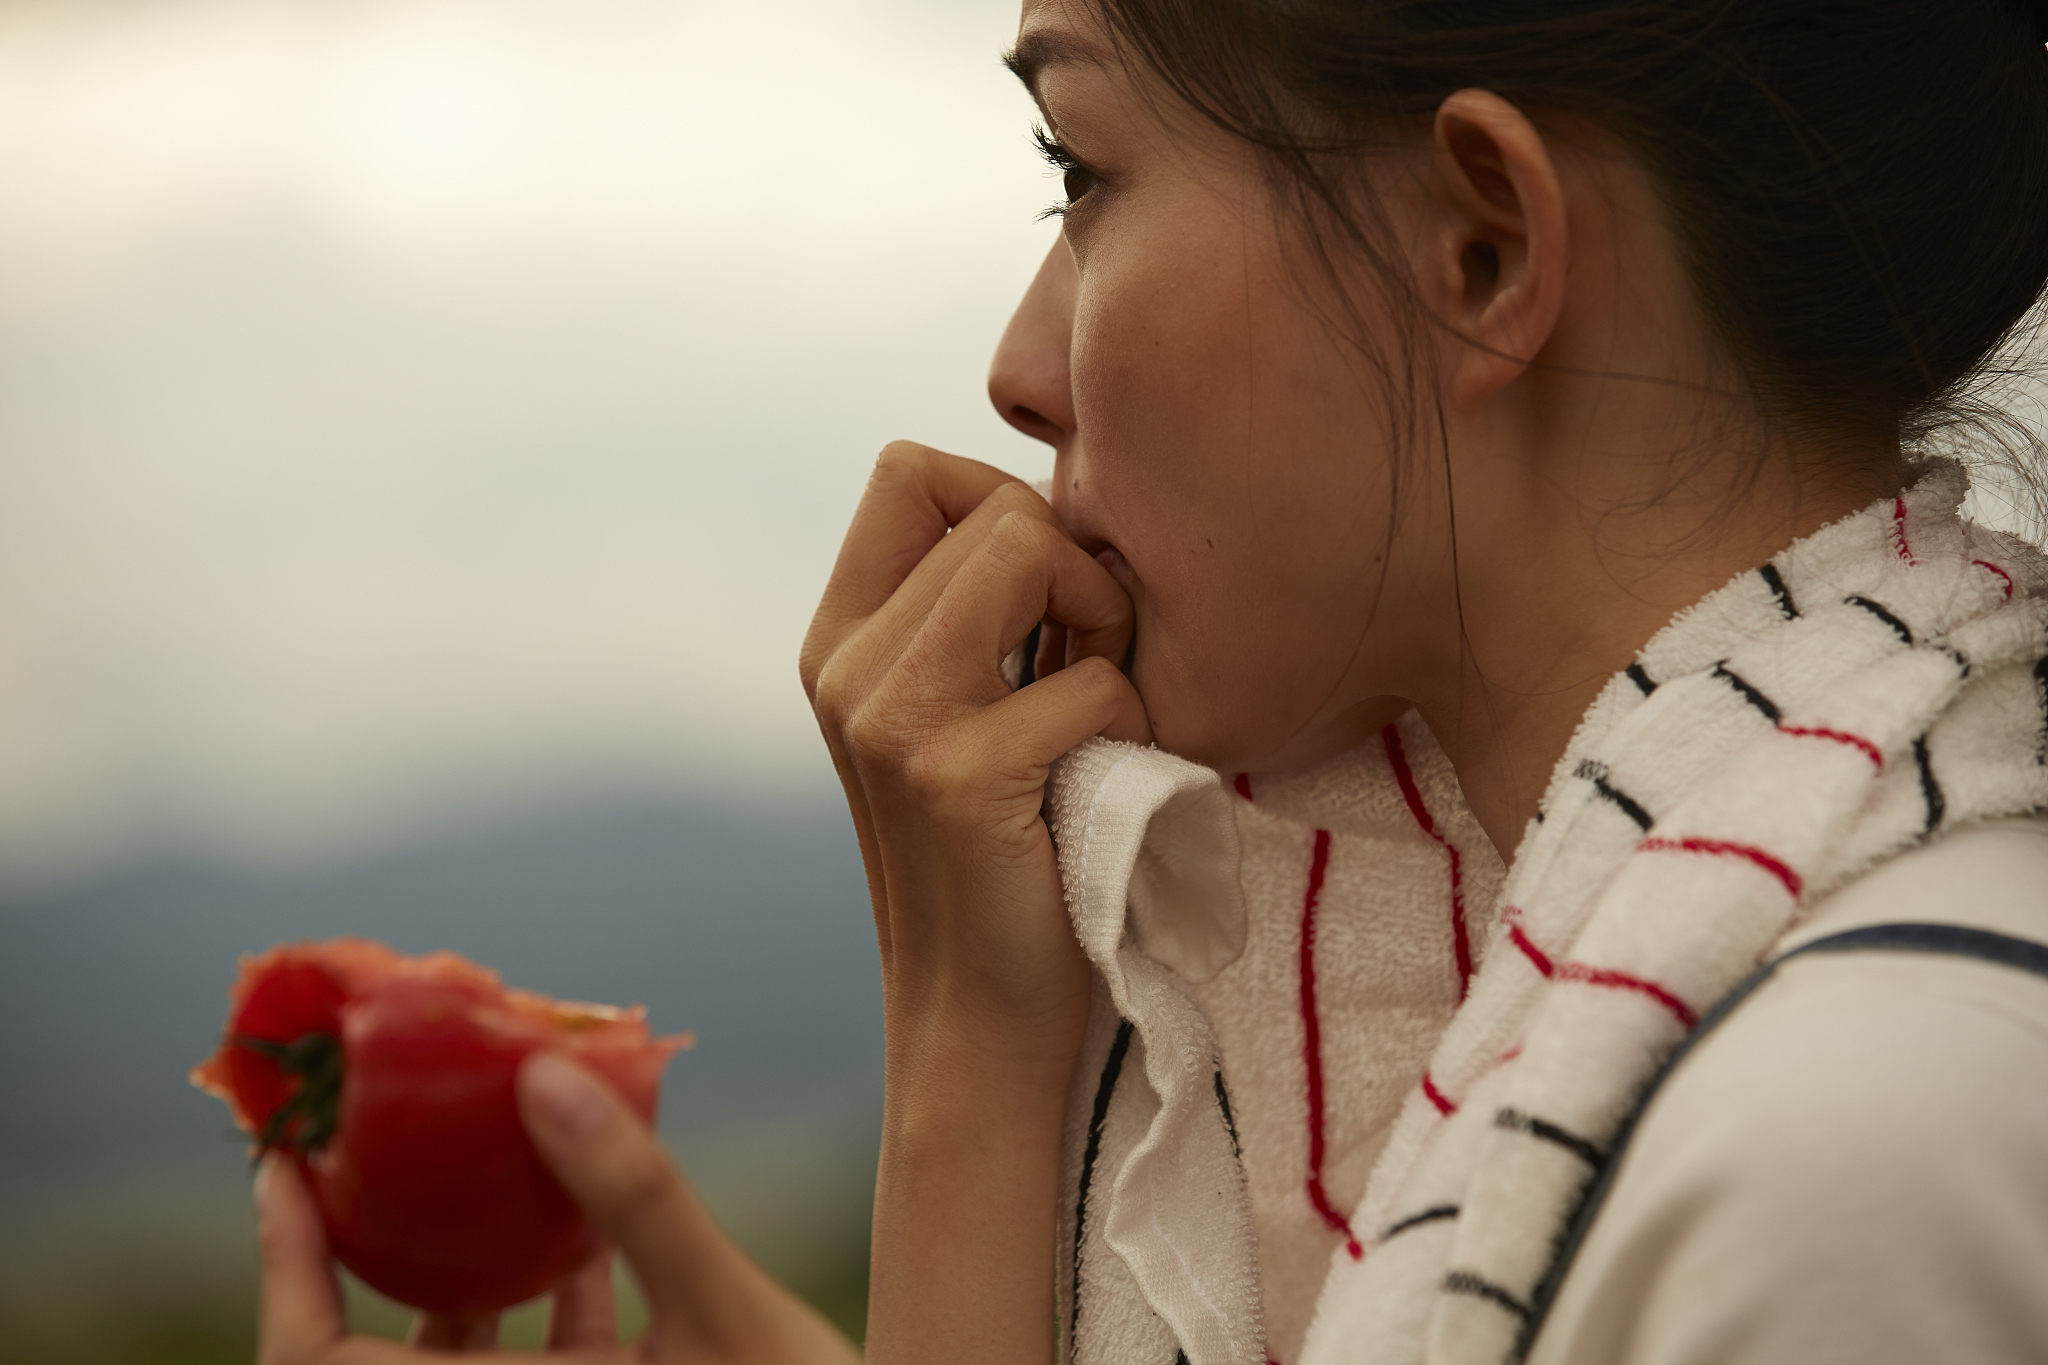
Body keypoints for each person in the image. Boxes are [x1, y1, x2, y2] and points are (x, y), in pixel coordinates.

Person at [252, 1, 2048, 1362]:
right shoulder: (1818, 1042)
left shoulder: (1840, 1161)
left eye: (1080, 172)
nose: (1018, 366)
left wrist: (964, 1039)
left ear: (1483, 243)